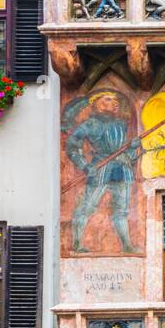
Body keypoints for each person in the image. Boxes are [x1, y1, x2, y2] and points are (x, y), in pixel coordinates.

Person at [65, 90, 139, 253]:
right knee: (86, 207)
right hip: (100, 170)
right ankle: (77, 244)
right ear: (97, 103)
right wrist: (85, 166)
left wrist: (132, 148)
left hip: (123, 169)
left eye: (115, 100)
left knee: (122, 210)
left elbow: (128, 154)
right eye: (108, 99)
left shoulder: (121, 124)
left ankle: (127, 245)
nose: (115, 103)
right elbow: (71, 146)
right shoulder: (90, 125)